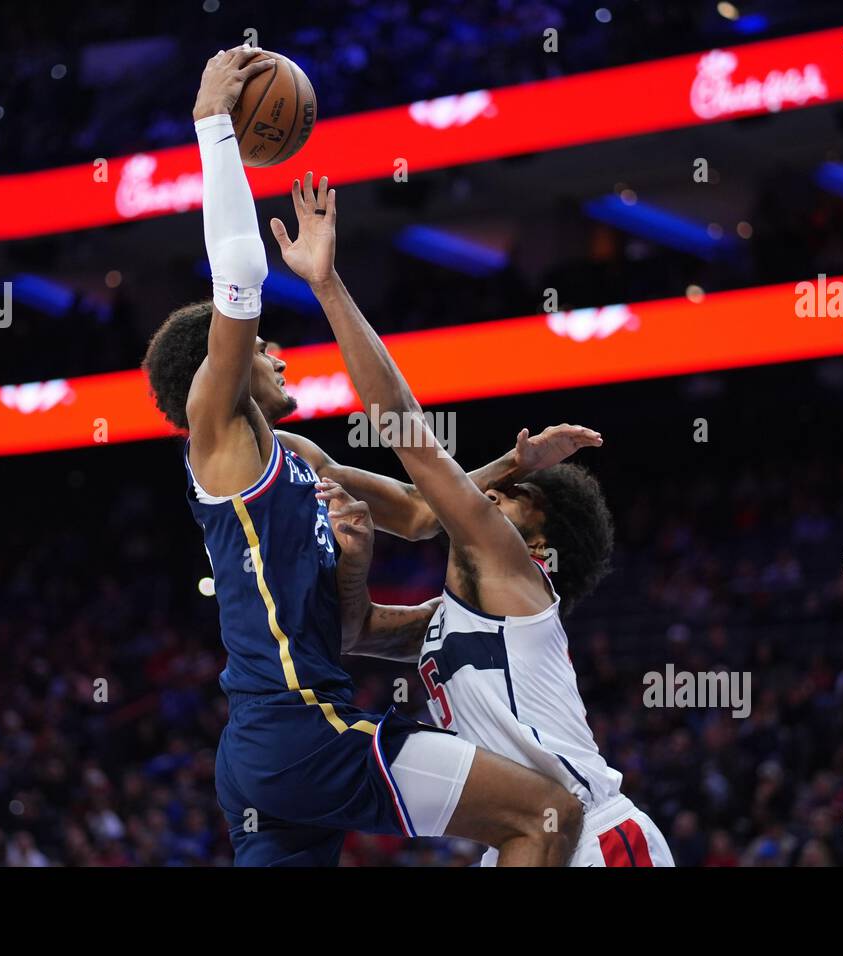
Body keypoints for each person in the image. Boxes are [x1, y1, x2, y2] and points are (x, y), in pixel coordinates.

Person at [141, 47, 585, 866]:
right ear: (221, 372)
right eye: (259, 348)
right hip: (301, 728)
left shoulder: (298, 454)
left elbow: (420, 514)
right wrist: (213, 124)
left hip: (267, 754)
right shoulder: (221, 440)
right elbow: (239, 272)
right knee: (547, 817)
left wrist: (511, 467)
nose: (274, 352)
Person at [271, 170, 673, 866]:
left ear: (539, 543)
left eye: (512, 498)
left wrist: (327, 285)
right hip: (525, 836)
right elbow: (358, 622)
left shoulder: (514, 575)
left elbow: (408, 435)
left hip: (595, 835)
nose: (489, 498)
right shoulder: (450, 618)